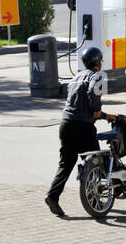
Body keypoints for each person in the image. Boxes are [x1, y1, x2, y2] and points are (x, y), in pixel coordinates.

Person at [46, 47, 118, 218]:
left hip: (66, 124)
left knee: (66, 163)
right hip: (83, 126)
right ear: (98, 62)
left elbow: (74, 100)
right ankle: (94, 201)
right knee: (96, 163)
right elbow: (93, 93)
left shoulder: (76, 77)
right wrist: (98, 111)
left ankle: (52, 196)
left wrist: (98, 114)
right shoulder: (97, 75)